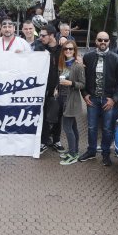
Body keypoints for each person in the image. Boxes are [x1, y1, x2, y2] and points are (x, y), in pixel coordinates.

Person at [78, 31, 118, 166]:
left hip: (108, 100)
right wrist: (85, 94)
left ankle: (105, 153)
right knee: (92, 127)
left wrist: (114, 99)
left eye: (105, 40)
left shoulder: (116, 58)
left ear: (109, 41)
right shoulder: (88, 57)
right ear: (96, 41)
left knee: (107, 128)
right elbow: (82, 78)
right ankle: (91, 151)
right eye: (100, 40)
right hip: (92, 99)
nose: (103, 42)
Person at [56, 40, 85, 165]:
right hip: (62, 98)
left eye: (70, 49)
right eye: (65, 49)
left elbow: (83, 84)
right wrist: (56, 88)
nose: (68, 51)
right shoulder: (63, 64)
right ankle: (74, 151)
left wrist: (71, 83)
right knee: (73, 127)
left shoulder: (78, 66)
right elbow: (60, 80)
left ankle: (73, 154)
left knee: (67, 127)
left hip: (71, 100)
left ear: (74, 51)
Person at [37, 25, 65, 153]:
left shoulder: (62, 49)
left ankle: (56, 140)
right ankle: (43, 141)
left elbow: (72, 59)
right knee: (44, 116)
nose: (40, 38)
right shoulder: (40, 48)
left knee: (58, 115)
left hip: (59, 88)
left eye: (43, 35)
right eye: (40, 35)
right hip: (43, 88)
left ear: (52, 35)